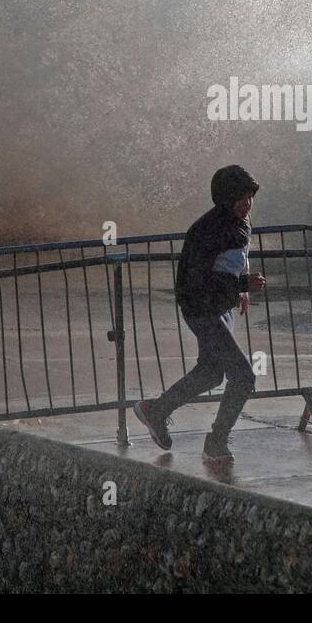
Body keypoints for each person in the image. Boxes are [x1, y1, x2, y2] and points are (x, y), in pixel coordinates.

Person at [133, 165, 265, 465]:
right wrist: (243, 284)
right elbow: (198, 279)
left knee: (211, 373)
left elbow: (238, 257)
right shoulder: (209, 229)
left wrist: (241, 290)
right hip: (201, 308)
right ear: (224, 199)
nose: (247, 204)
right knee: (243, 375)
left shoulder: (241, 221)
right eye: (240, 198)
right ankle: (216, 442)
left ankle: (156, 410)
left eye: (250, 197)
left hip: (222, 306)